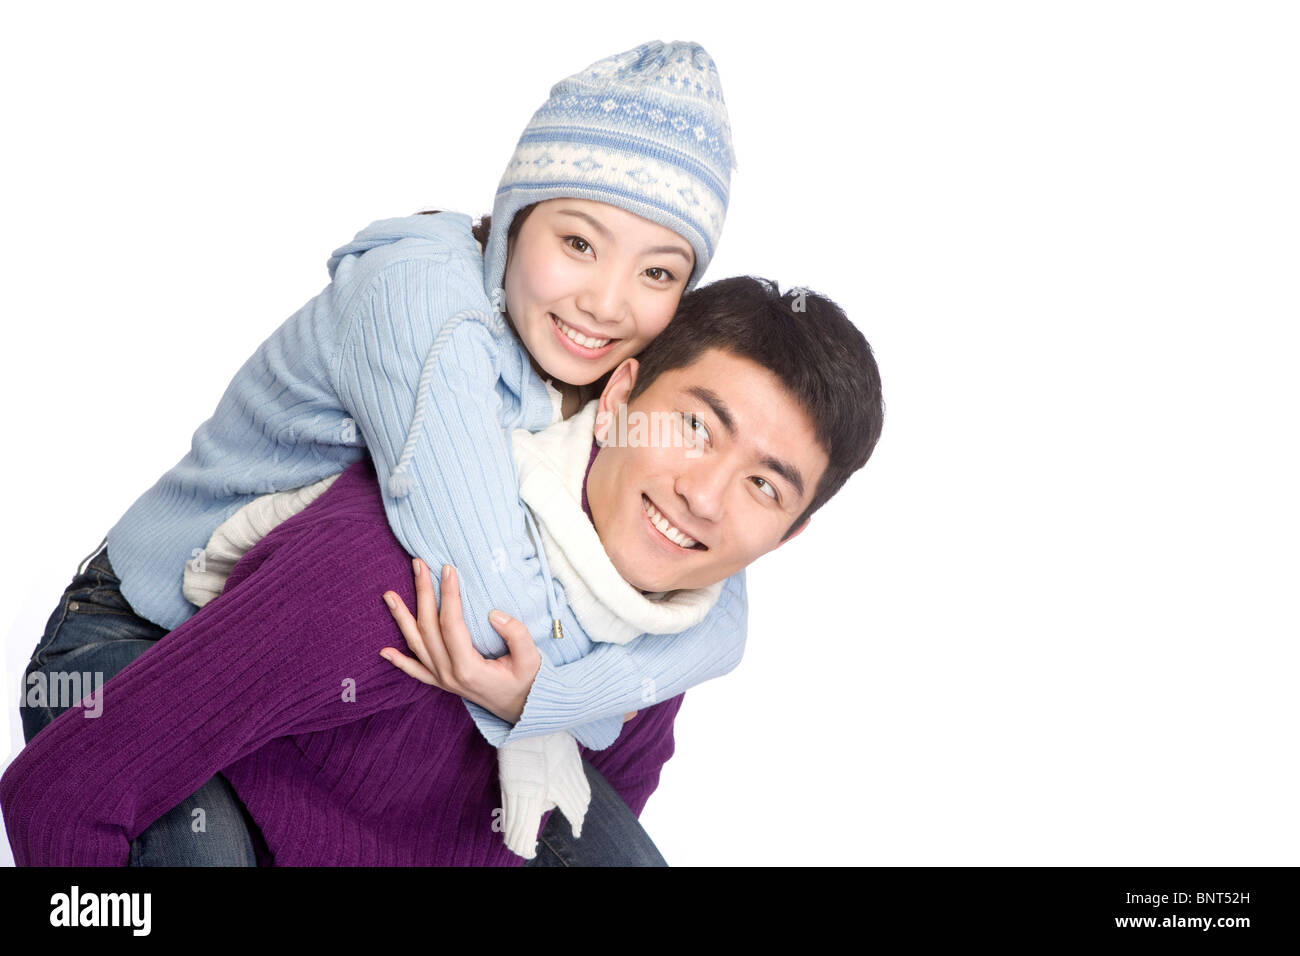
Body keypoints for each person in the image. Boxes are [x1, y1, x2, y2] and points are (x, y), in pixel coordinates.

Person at [16, 40, 743, 864]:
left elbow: (718, 593)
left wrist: (595, 675)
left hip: (318, 678)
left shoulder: (610, 381)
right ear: (514, 222)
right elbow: (487, 597)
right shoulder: (424, 303)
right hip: (151, 637)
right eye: (578, 244)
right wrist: (580, 686)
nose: (606, 303)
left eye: (657, 272)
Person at [1, 277, 884, 866]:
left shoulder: (653, 629)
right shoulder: (394, 567)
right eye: (696, 428)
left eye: (764, 486)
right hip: (141, 679)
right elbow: (64, 796)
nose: (704, 496)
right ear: (617, 399)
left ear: (790, 534)